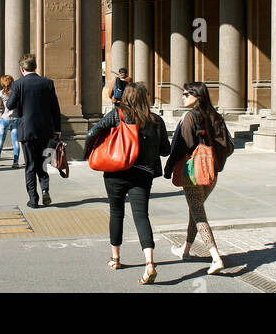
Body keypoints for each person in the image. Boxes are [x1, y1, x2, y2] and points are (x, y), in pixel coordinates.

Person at [84, 81, 170, 284]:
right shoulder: (156, 120)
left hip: (116, 172)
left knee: (116, 213)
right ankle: (149, 263)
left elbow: (92, 133)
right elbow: (165, 150)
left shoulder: (116, 115)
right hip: (143, 174)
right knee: (141, 216)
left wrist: (89, 152)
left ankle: (116, 258)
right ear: (145, 98)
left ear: (126, 98)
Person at [163, 81, 233, 273]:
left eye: (187, 94)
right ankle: (185, 250)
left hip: (194, 174)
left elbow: (179, 146)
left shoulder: (189, 116)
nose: (183, 96)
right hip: (211, 173)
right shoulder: (217, 117)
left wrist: (168, 168)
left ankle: (216, 257)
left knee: (199, 215)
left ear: (198, 97)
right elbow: (229, 147)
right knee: (195, 211)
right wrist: (215, 162)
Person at [5, 54, 61, 209]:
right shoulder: (47, 83)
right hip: (45, 129)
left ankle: (33, 198)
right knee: (43, 162)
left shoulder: (18, 84)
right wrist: (58, 130)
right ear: (35, 66)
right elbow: (55, 109)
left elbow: (10, 105)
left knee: (30, 164)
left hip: (26, 130)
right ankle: (45, 189)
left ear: (22, 68)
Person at [0, 75, 20, 168]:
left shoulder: (0, 94)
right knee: (15, 141)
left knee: (1, 139)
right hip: (16, 118)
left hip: (4, 118)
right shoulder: (16, 93)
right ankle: (15, 162)